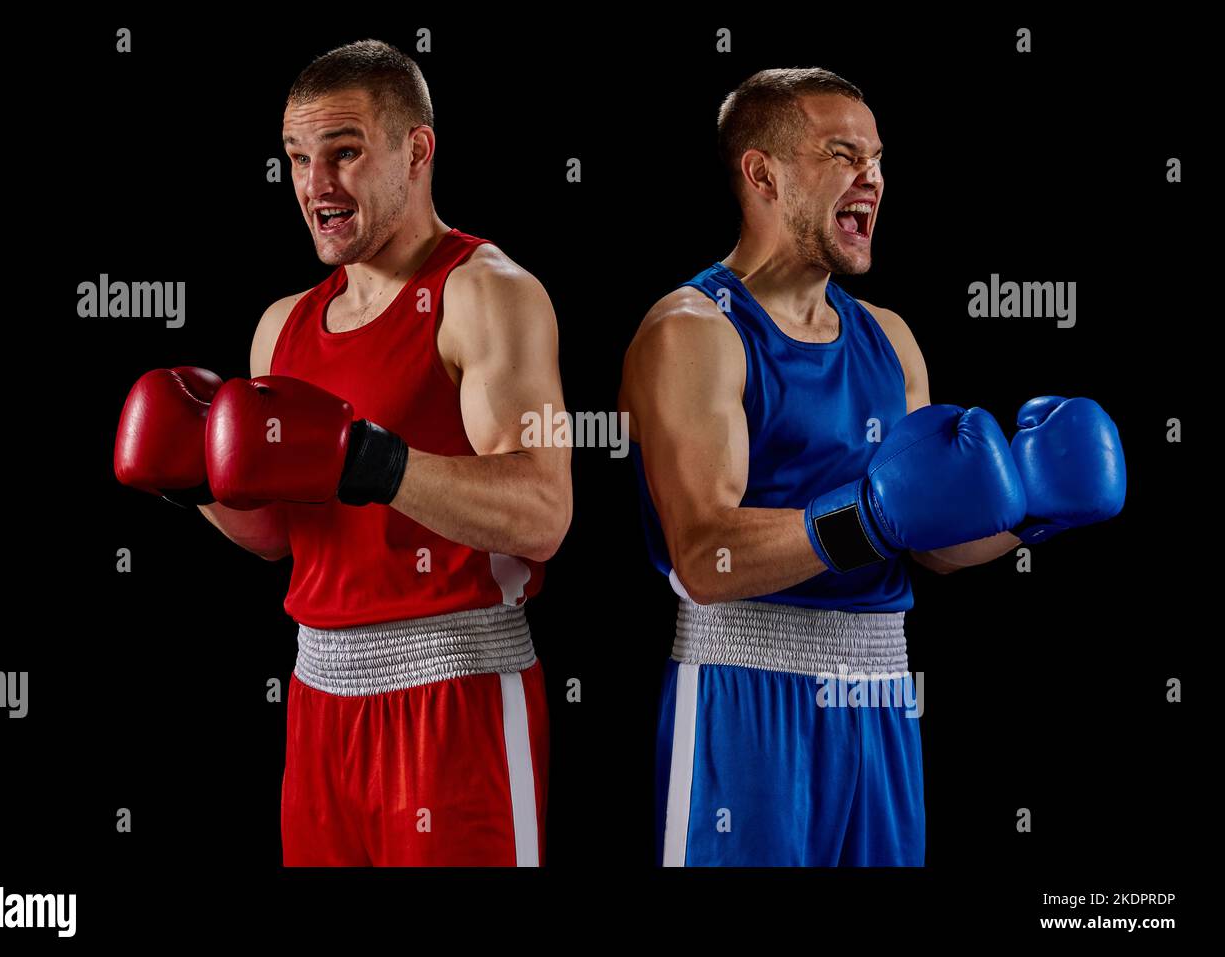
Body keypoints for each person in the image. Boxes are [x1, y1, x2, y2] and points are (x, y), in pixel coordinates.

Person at [619, 67, 1125, 866]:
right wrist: (868, 518)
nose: (874, 178)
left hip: (880, 694)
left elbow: (931, 544)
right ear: (762, 173)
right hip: (745, 694)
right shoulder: (693, 329)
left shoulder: (890, 338)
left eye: (879, 158)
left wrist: (1032, 508)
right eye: (843, 155)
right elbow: (703, 557)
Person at [114, 40, 572, 866]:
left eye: (345, 152)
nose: (316, 186)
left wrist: (374, 461)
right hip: (321, 702)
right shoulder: (281, 327)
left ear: (418, 149)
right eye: (297, 158)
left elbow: (543, 514)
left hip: (455, 699)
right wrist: (196, 486)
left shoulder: (488, 292)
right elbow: (291, 540)